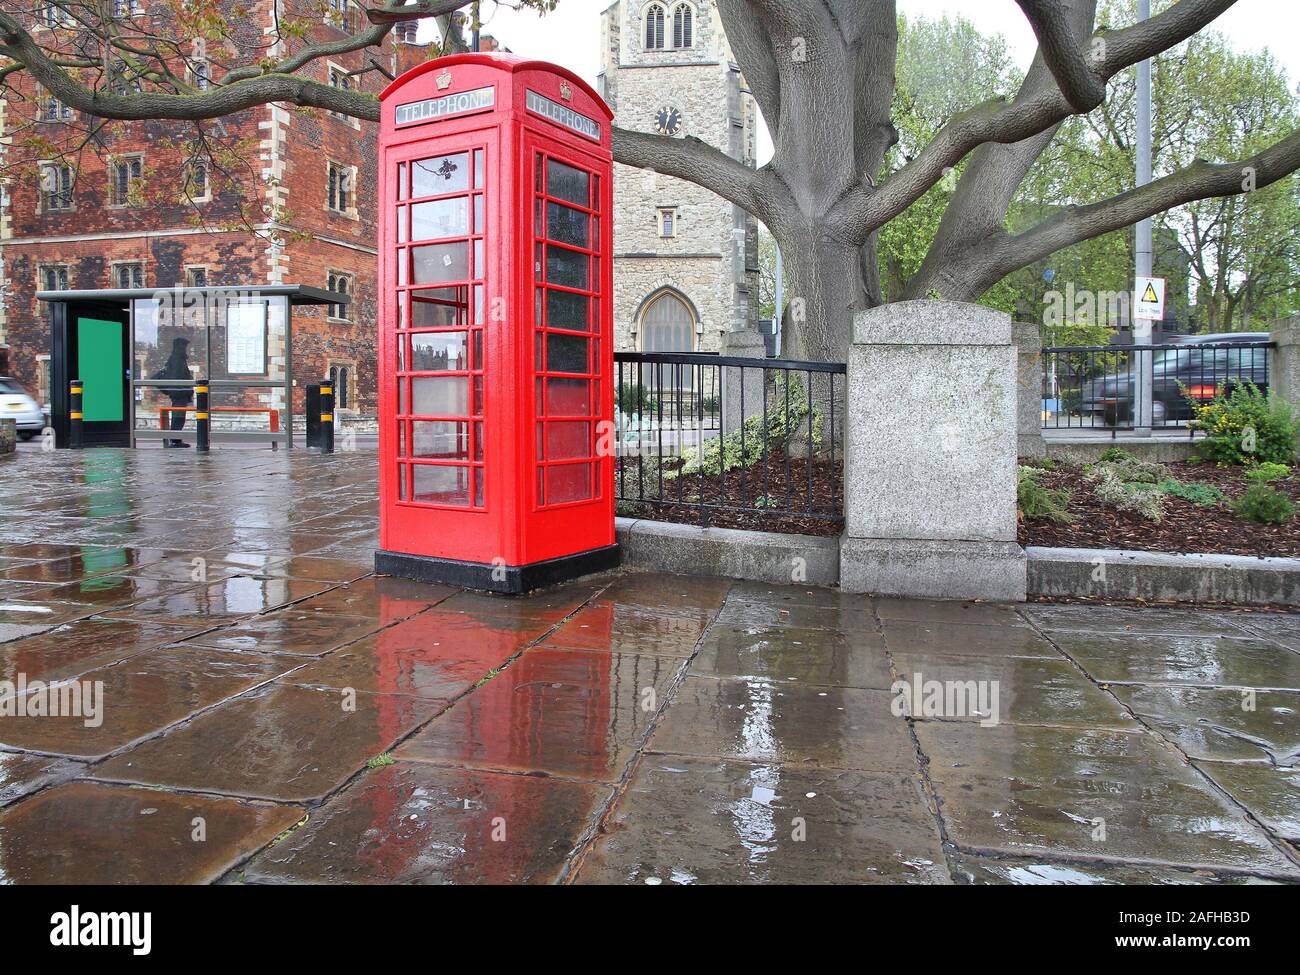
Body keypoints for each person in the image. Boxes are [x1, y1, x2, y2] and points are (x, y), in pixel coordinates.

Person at [151, 337, 193, 447]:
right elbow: (177, 377)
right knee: (178, 416)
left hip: (180, 392)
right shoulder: (177, 359)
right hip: (179, 392)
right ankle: (175, 441)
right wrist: (183, 390)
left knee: (179, 416)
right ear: (179, 347)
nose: (185, 348)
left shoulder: (178, 358)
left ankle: (176, 439)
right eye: (184, 346)